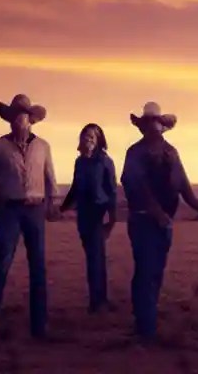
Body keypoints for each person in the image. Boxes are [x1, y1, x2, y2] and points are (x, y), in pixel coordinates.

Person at [120, 102, 198, 339]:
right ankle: (145, 326)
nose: (154, 127)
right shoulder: (135, 153)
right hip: (143, 221)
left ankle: (146, 318)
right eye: (150, 123)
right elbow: (136, 186)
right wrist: (158, 213)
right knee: (146, 269)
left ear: (164, 127)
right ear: (143, 127)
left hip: (164, 223)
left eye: (158, 123)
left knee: (156, 271)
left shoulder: (172, 153)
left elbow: (183, 184)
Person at [0, 94, 59, 338]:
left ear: (30, 120)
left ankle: (39, 326)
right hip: (9, 210)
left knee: (38, 267)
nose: (17, 122)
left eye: (22, 117)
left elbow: (51, 179)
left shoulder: (43, 146)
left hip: (35, 210)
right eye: (14, 117)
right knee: (1, 263)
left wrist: (52, 204)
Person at [59, 123, 119, 313]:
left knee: (96, 258)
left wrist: (112, 218)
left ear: (99, 140)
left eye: (92, 137)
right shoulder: (80, 162)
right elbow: (75, 188)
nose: (88, 140)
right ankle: (98, 300)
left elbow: (112, 190)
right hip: (83, 214)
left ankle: (99, 302)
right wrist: (62, 208)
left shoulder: (105, 161)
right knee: (93, 258)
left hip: (98, 213)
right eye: (85, 137)